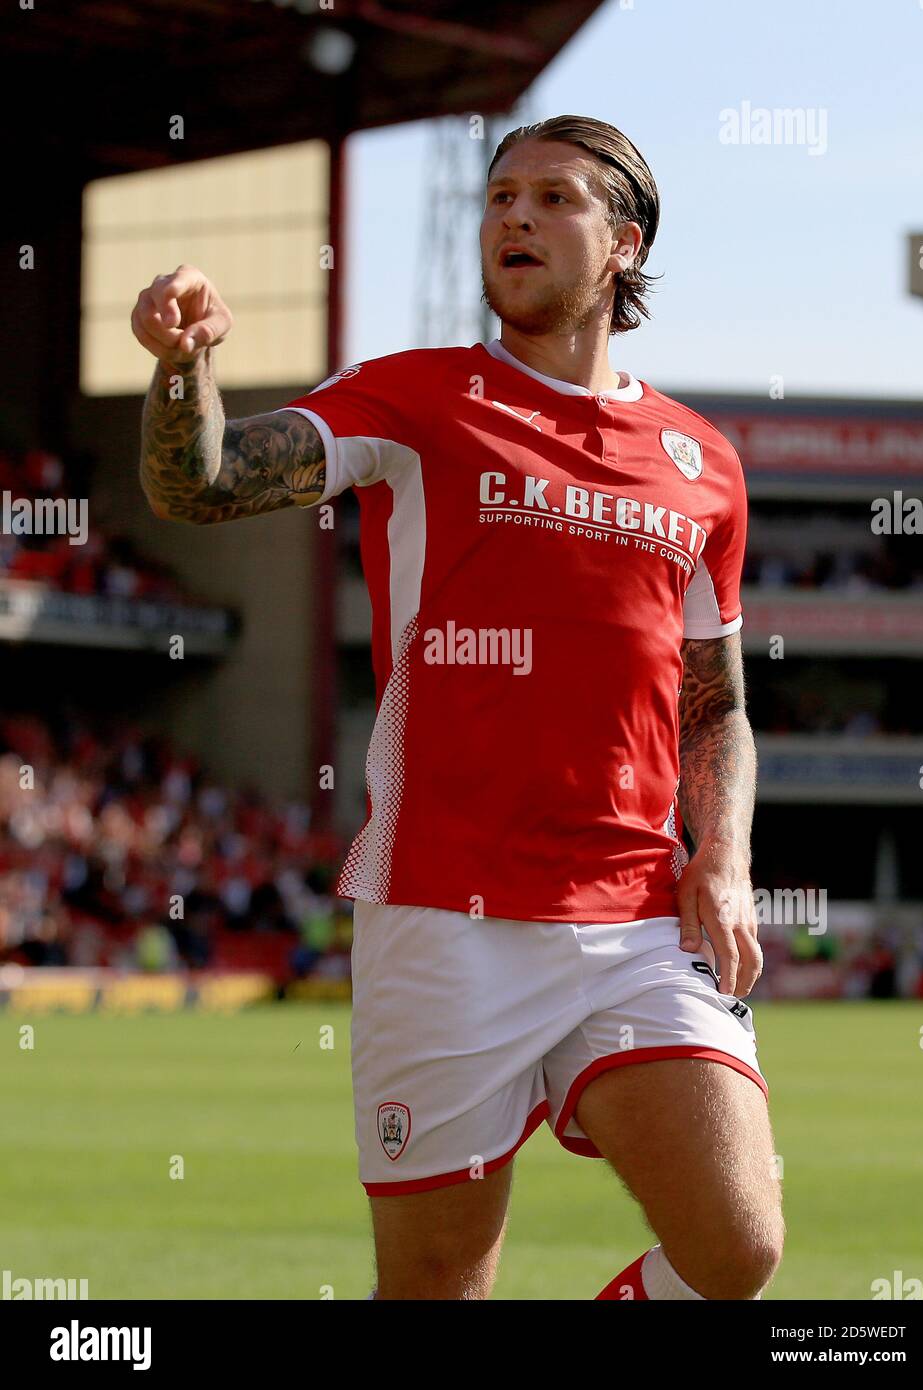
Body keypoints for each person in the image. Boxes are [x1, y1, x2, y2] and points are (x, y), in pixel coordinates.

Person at [132, 113, 783, 1302]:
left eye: (551, 198)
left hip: (635, 913)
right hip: (443, 910)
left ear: (624, 242)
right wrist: (186, 368)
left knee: (734, 1252)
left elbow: (717, 707)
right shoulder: (417, 398)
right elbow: (201, 481)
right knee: (437, 1285)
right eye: (497, 199)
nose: (513, 218)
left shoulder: (702, 462)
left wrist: (724, 854)